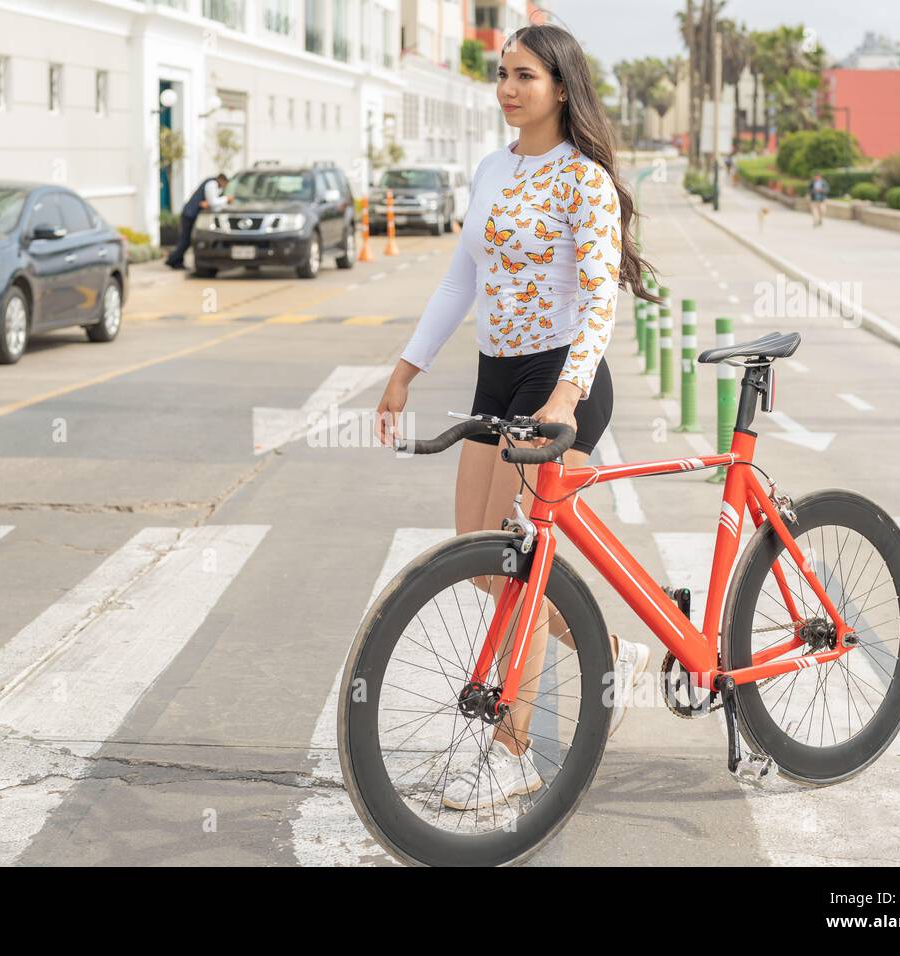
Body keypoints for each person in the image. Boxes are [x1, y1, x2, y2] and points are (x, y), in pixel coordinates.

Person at [372, 24, 662, 810]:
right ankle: (620, 652)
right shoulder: (491, 169)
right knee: (478, 551)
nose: (507, 88)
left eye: (525, 76)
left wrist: (566, 396)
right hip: (496, 376)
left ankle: (512, 749)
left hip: (561, 379)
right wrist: (405, 369)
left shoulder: (584, 181)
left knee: (518, 562)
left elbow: (602, 300)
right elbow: (459, 283)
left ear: (561, 89)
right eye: (503, 75)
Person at [165, 172, 229, 270]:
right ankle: (172, 260)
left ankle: (177, 261)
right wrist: (226, 199)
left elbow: (209, 202)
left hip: (191, 213)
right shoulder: (212, 184)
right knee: (185, 239)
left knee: (186, 239)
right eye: (225, 184)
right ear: (222, 180)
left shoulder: (211, 184)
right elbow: (213, 202)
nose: (224, 187)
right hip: (190, 214)